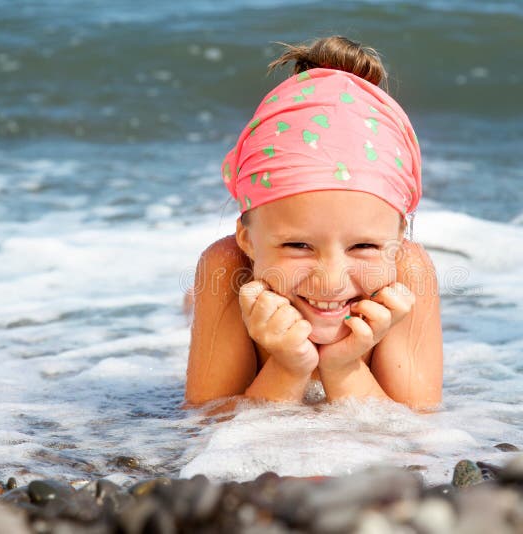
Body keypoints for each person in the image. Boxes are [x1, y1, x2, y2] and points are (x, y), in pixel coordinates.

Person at [184, 36, 442, 411]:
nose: (332, 280)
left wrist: (344, 365)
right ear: (247, 238)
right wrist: (289, 367)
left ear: (399, 238)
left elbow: (416, 435)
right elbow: (205, 426)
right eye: (298, 245)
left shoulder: (408, 271)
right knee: (194, 304)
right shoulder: (228, 267)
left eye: (364, 246)